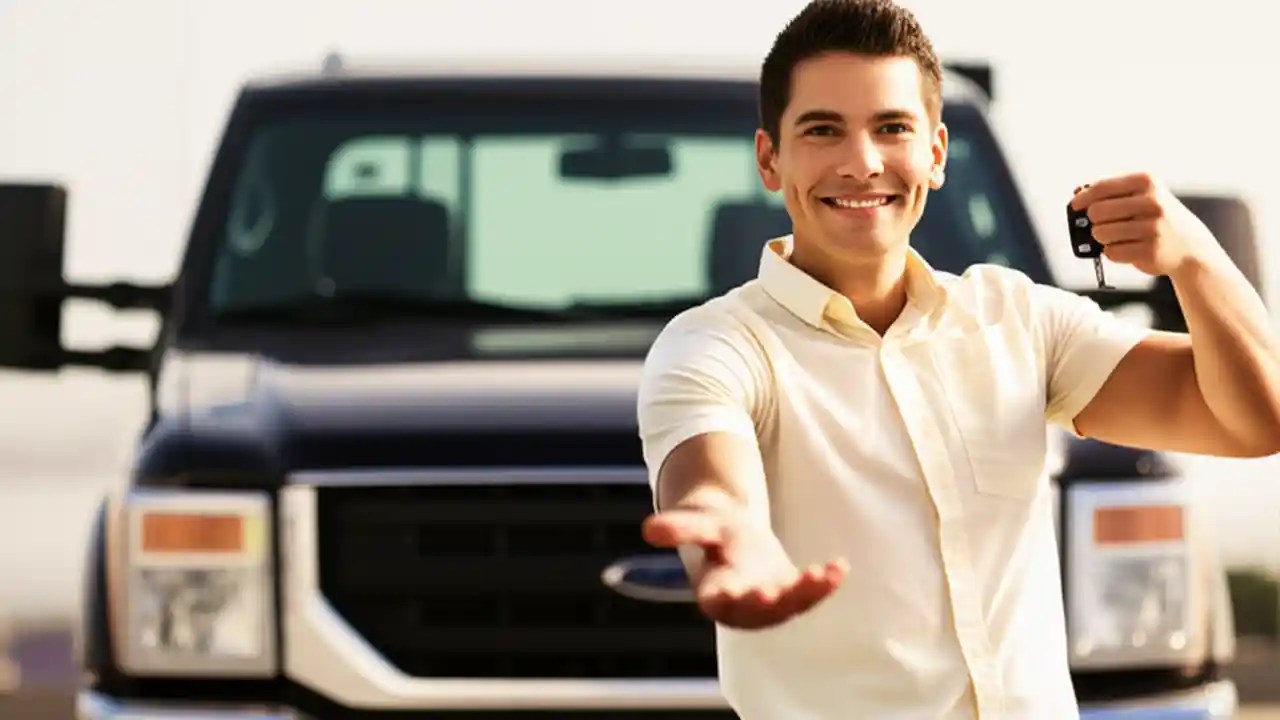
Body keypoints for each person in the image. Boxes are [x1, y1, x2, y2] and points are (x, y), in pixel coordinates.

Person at [634, 0, 1280, 717]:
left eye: (892, 128)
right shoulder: (715, 344)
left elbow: (1256, 421)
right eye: (823, 130)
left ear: (935, 154)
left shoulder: (1022, 319)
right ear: (770, 159)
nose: (862, 162)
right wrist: (735, 546)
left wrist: (1196, 260)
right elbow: (714, 488)